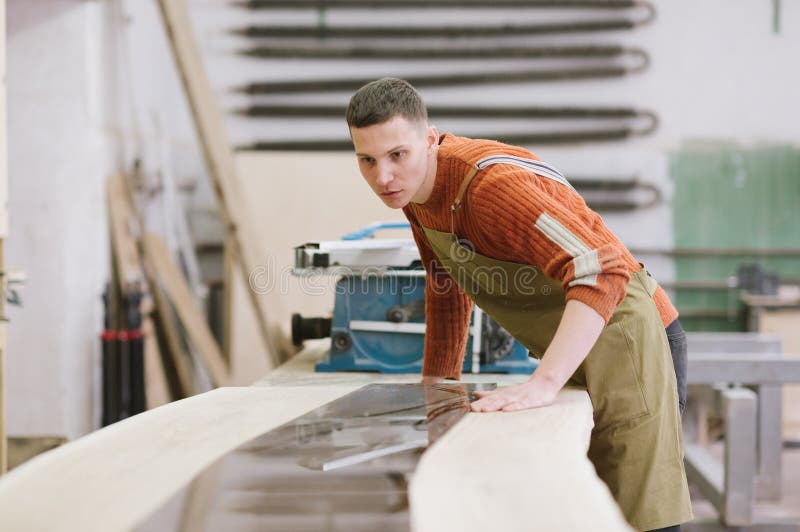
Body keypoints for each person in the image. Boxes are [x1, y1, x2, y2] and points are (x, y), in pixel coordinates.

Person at [345, 77, 692, 532]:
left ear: (430, 140)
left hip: (629, 340)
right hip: (582, 351)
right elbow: (446, 285)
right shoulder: (415, 196)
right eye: (366, 161)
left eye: (397, 155)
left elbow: (601, 269)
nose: (382, 177)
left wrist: (543, 382)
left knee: (642, 514)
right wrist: (436, 392)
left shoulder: (490, 188)